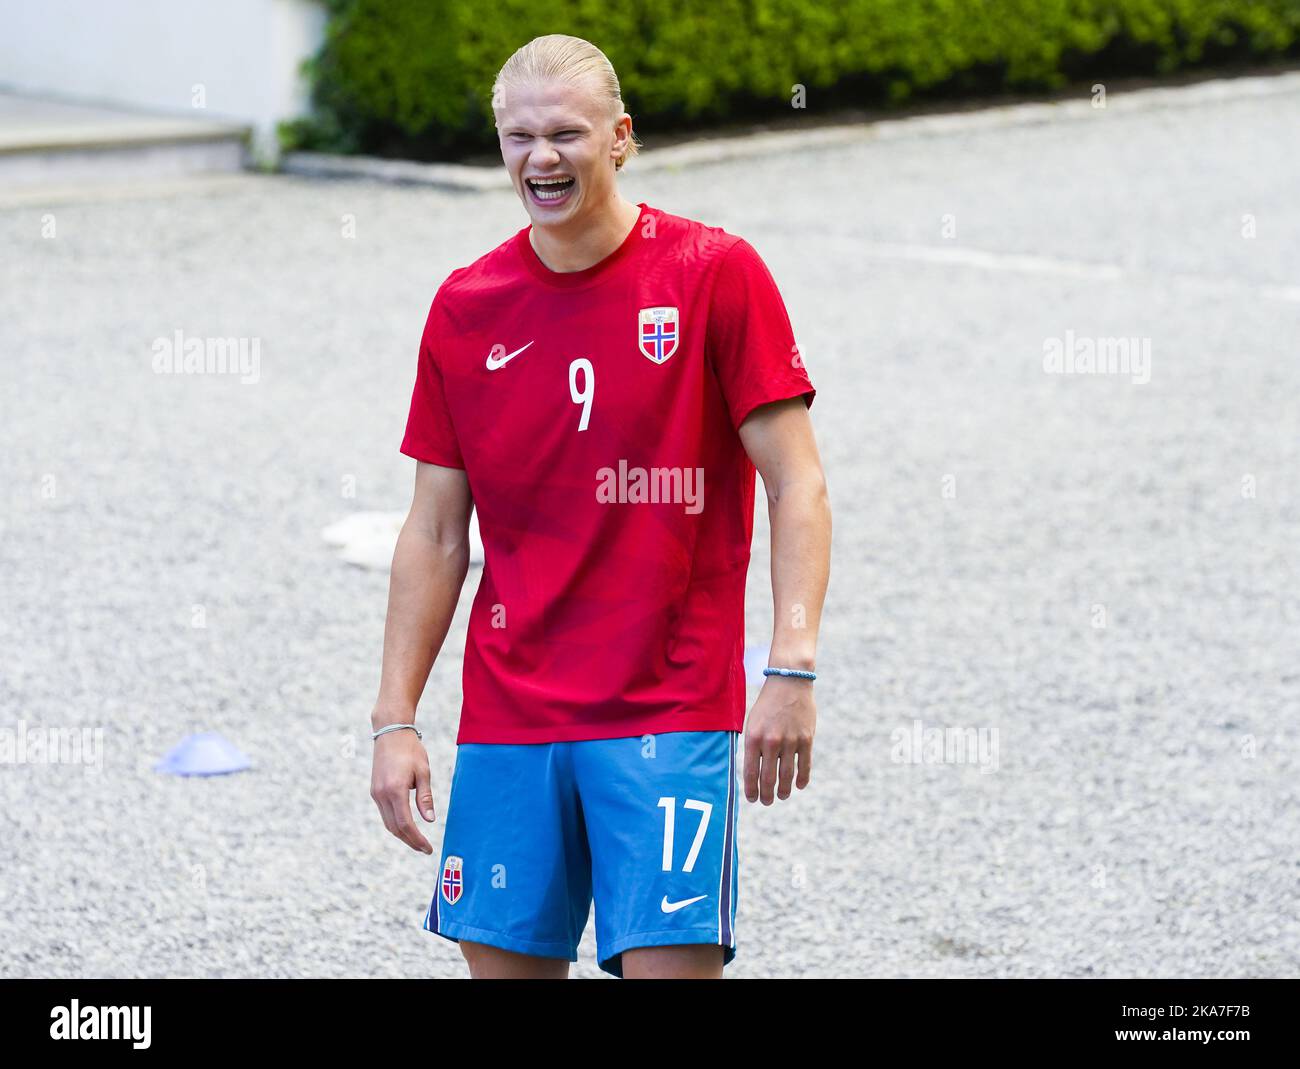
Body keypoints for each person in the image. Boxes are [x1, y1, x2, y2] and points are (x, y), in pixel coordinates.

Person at [369, 33, 831, 980]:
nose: (542, 158)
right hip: (511, 716)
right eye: (520, 137)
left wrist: (791, 666)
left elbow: (798, 483)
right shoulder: (465, 307)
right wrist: (395, 717)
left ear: (621, 137)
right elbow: (435, 531)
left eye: (567, 134)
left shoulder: (713, 274)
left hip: (668, 710)